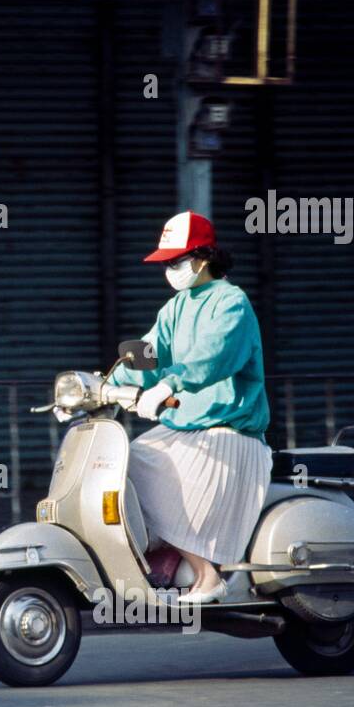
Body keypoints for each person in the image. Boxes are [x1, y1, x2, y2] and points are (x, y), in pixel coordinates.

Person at [109, 211, 272, 605]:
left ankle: (207, 576)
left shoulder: (231, 303)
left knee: (154, 474)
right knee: (120, 462)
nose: (170, 269)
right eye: (167, 262)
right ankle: (158, 560)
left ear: (202, 258)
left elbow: (213, 357)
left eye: (177, 261)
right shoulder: (175, 308)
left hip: (228, 429)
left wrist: (170, 382)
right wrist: (103, 384)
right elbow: (147, 356)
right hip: (185, 426)